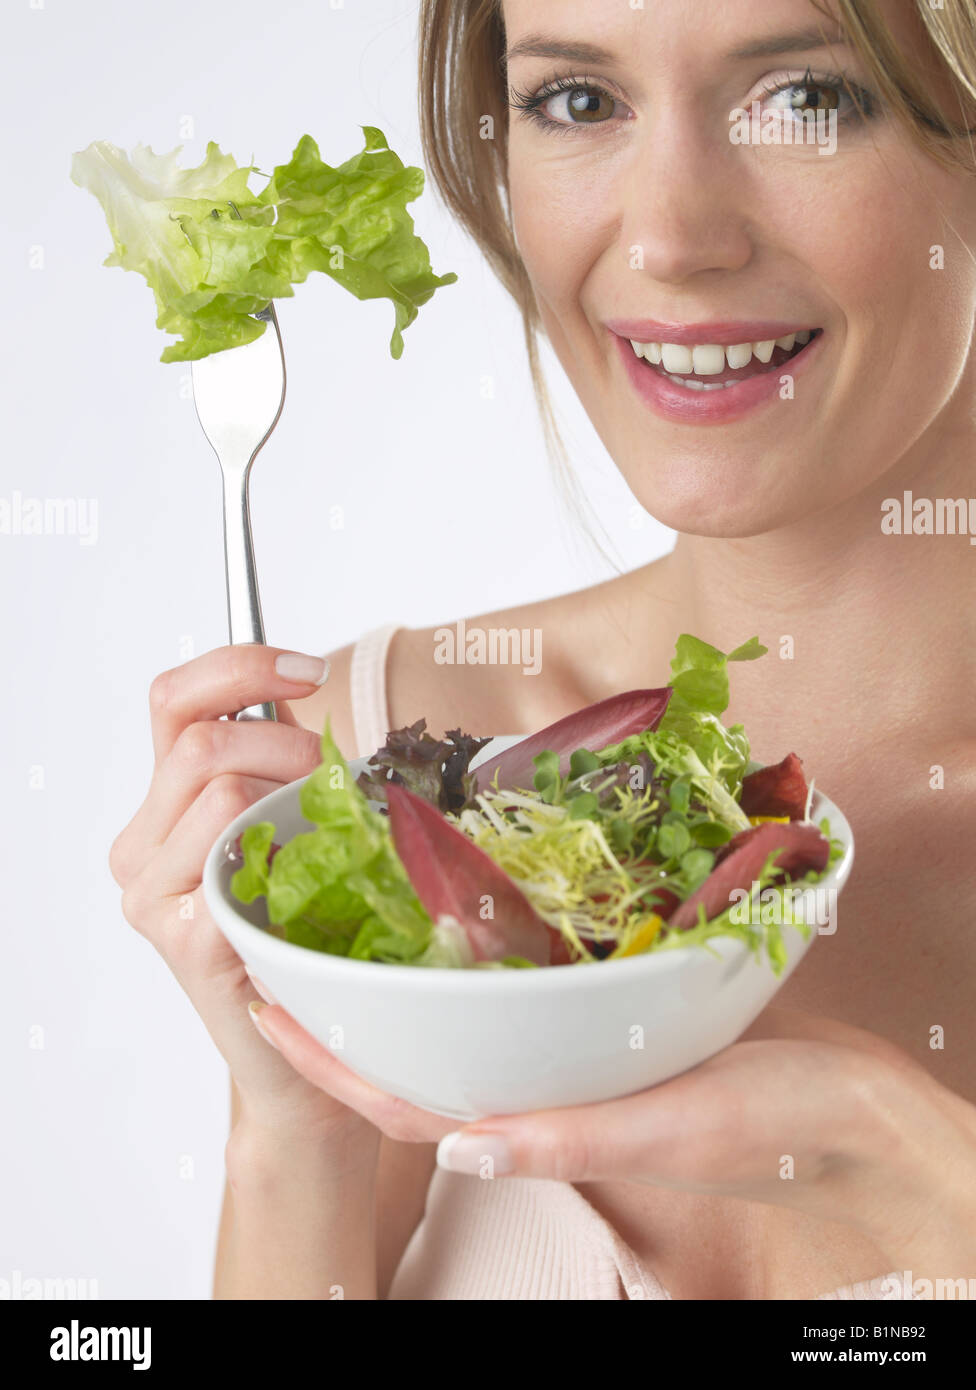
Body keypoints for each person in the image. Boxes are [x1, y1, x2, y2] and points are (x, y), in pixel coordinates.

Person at [109, 0, 976, 1299]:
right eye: (579, 100)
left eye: (805, 97)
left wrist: (910, 1169)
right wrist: (297, 1130)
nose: (670, 239)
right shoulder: (387, 753)